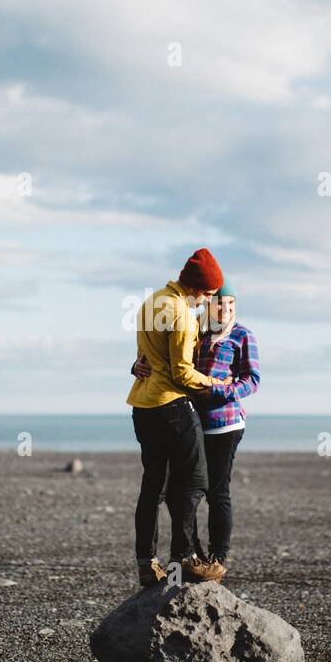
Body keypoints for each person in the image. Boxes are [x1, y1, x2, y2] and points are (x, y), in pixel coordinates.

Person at [132, 281, 259, 579]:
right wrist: (137, 366)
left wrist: (221, 391)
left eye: (230, 305)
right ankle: (193, 553)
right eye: (219, 303)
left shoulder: (242, 336)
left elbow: (251, 380)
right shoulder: (194, 327)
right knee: (186, 491)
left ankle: (219, 557)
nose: (224, 310)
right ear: (208, 304)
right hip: (192, 420)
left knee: (217, 491)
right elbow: (168, 360)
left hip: (225, 423)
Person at [126, 248, 231, 587]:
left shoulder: (151, 302)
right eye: (211, 293)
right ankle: (185, 558)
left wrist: (137, 366)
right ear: (200, 287)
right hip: (172, 406)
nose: (210, 300)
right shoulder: (183, 314)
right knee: (196, 480)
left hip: (143, 406)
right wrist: (217, 383)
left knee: (152, 486)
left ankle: (147, 562)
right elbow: (183, 373)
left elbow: (146, 355)